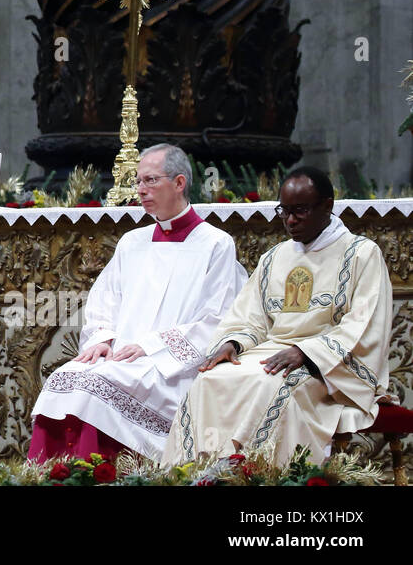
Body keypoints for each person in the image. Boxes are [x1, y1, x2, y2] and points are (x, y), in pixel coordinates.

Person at [28, 144, 247, 462]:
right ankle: (54, 476)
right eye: (138, 182)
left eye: (150, 180)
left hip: (170, 366)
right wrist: (103, 339)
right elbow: (104, 301)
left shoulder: (215, 244)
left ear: (180, 183)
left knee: (93, 388)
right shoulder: (133, 242)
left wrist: (151, 346)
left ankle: (100, 473)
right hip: (120, 357)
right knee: (64, 378)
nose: (140, 190)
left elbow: (216, 319)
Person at [163, 167, 393, 466]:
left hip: (325, 364)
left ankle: (256, 475)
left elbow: (364, 324)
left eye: (300, 211)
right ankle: (196, 473)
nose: (291, 220)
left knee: (270, 387)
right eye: (284, 211)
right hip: (271, 353)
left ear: (327, 206)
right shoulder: (275, 257)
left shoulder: (361, 254)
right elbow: (251, 317)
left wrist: (306, 351)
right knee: (208, 383)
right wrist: (232, 343)